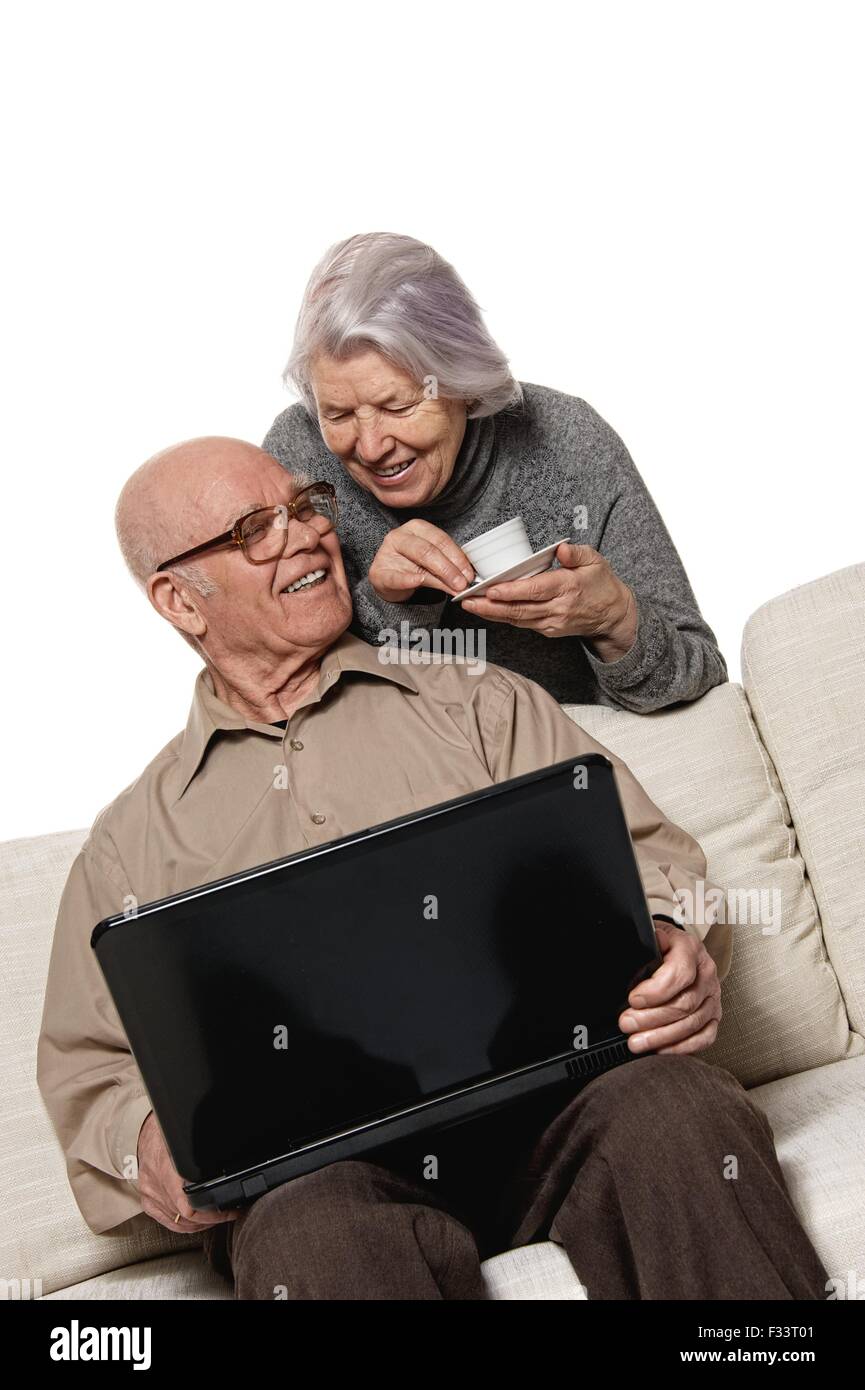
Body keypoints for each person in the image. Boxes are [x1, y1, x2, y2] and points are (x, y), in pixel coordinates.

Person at [37, 438, 826, 1300]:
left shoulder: (480, 705)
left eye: (305, 507)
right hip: (322, 1183)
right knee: (314, 1238)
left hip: (556, 1107)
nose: (304, 536)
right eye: (255, 528)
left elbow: (645, 858)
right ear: (179, 599)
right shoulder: (130, 841)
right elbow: (90, 1068)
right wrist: (144, 1143)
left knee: (676, 1109)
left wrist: (669, 938)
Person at [264, 232, 727, 708]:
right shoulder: (299, 461)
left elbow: (698, 675)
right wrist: (385, 605)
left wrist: (613, 620)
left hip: (561, 759)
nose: (371, 446)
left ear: (464, 381)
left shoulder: (563, 438)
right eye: (337, 415)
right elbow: (281, 692)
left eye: (398, 406)